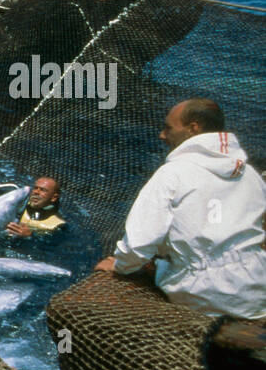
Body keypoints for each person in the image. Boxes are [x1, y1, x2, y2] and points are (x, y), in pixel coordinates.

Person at [95, 99, 266, 319]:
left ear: (193, 128)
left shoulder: (173, 173)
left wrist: (120, 265)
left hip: (205, 294)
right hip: (257, 286)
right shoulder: (250, 173)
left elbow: (139, 245)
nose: (162, 135)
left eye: (168, 128)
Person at [0, 176, 66, 236]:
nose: (36, 192)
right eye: (35, 188)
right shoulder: (18, 204)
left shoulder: (57, 224)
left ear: (54, 197)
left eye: (43, 190)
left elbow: (50, 248)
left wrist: (29, 236)